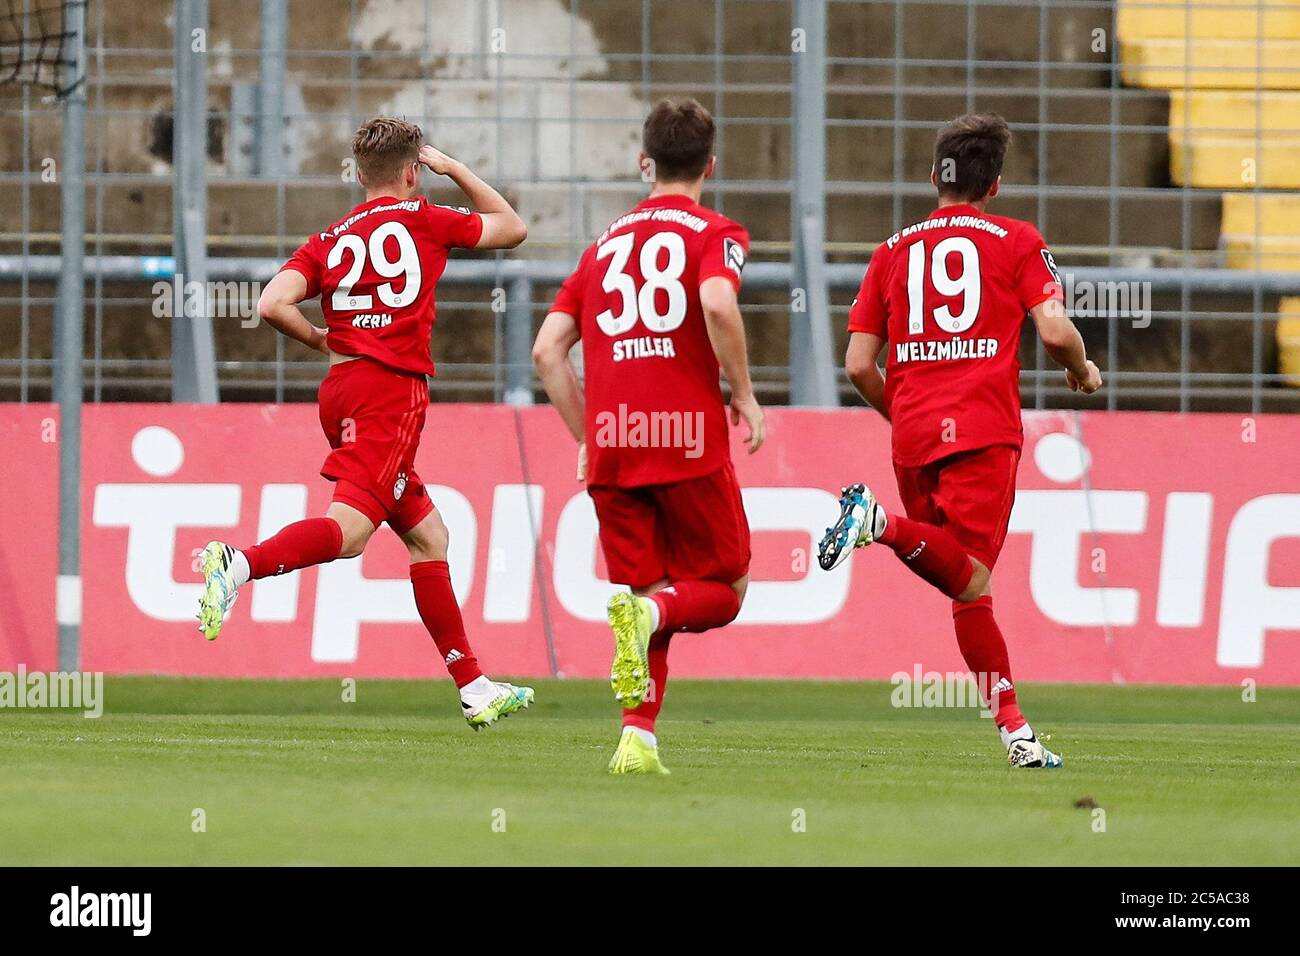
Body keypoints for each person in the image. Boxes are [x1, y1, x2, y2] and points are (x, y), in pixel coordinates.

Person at [196, 117, 534, 731]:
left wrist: (319, 338)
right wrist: (453, 167)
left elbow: (272, 302)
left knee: (428, 537)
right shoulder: (425, 217)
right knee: (349, 533)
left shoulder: (329, 237)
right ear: (412, 172)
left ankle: (475, 686)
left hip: (341, 386)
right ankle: (237, 563)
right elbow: (512, 227)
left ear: (358, 174)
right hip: (390, 393)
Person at [820, 112, 1103, 768]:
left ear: (932, 176)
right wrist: (1080, 369)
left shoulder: (892, 251)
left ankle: (1015, 731)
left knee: (965, 586)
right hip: (982, 429)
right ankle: (879, 524)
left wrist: (909, 413)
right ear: (995, 185)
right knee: (972, 572)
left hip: (913, 431)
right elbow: (1057, 332)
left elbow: (860, 364)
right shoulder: (1016, 240)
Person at [532, 99, 765, 774]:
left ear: (645, 163)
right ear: (709, 166)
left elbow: (548, 352)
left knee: (648, 596)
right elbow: (718, 302)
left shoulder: (601, 246)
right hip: (687, 440)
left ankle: (638, 739)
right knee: (725, 588)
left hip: (614, 443)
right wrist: (744, 395)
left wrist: (587, 434)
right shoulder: (716, 230)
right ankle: (647, 658)